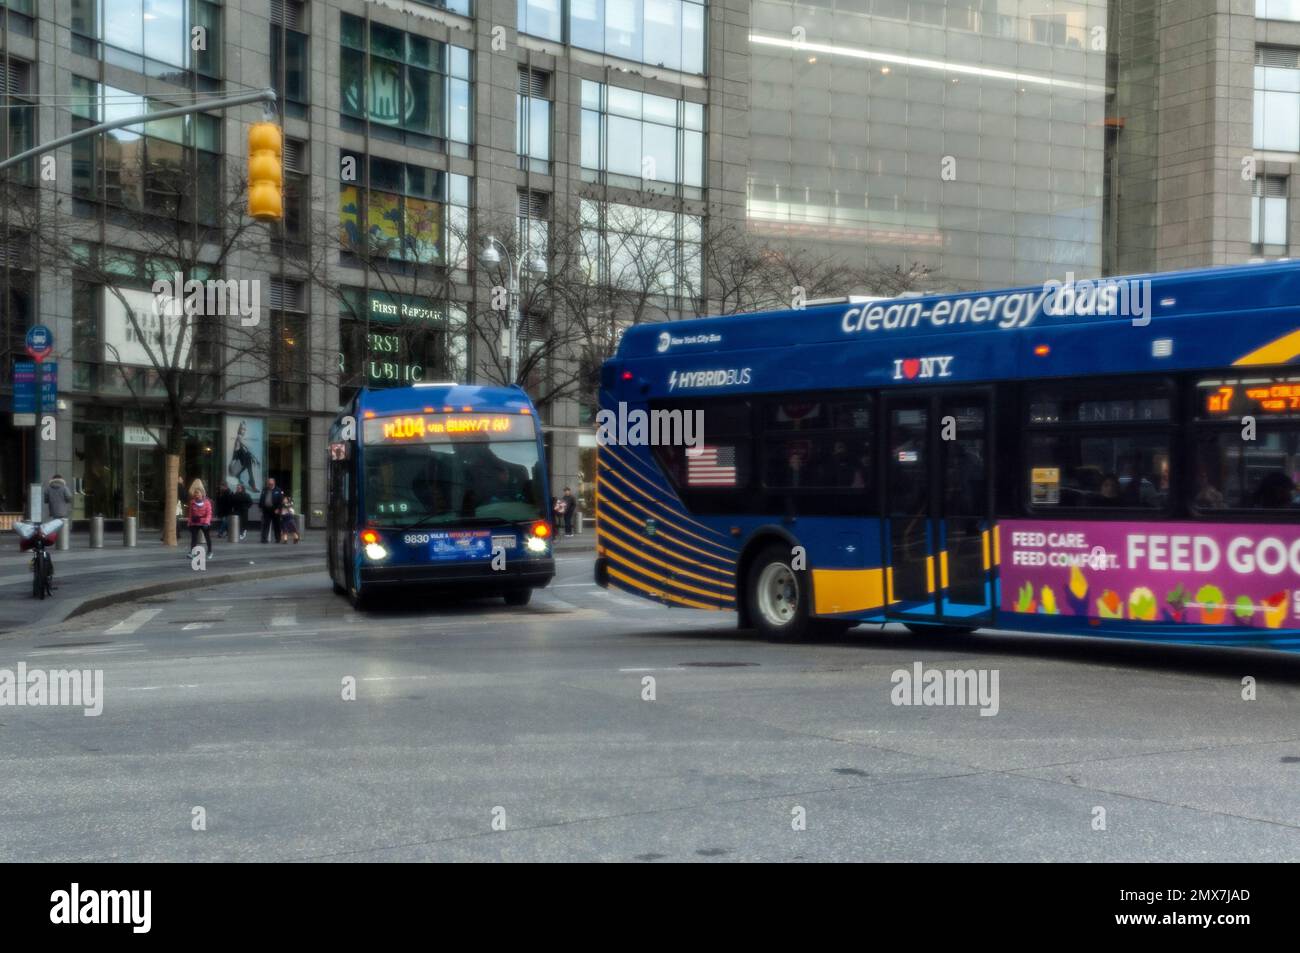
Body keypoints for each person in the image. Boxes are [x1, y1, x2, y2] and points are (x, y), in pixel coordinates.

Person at [187, 479, 213, 558]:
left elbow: (209, 513)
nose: (196, 495)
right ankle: (192, 552)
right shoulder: (192, 502)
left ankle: (210, 551)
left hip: (204, 522)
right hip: (195, 522)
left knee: (207, 537)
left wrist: (207, 522)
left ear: (202, 494)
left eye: (197, 493)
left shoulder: (207, 502)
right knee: (194, 538)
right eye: (195, 493)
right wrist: (189, 522)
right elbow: (190, 513)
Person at [259, 478, 284, 543]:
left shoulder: (278, 490)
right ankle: (264, 539)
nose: (269, 484)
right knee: (265, 525)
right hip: (266, 510)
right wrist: (261, 507)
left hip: (275, 510)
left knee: (276, 525)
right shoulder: (265, 490)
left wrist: (278, 509)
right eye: (268, 483)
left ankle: (278, 539)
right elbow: (262, 498)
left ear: (274, 483)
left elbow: (281, 501)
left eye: (271, 483)